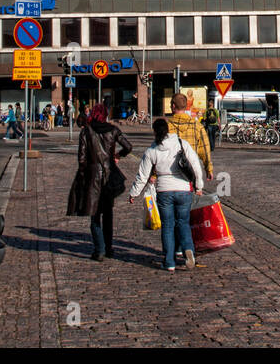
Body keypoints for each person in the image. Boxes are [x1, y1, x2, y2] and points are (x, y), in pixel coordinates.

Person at [128, 117, 204, 271]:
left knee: (168, 226)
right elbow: (195, 165)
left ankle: (169, 261)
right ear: (168, 130)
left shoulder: (152, 150)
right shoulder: (182, 144)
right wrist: (198, 186)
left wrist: (134, 193)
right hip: (183, 189)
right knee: (183, 222)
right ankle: (188, 250)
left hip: (164, 191)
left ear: (155, 132)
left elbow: (143, 175)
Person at [66, 110, 133, 261]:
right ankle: (109, 248)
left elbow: (82, 159)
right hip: (109, 176)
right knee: (108, 214)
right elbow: (128, 147)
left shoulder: (86, 132)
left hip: (93, 176)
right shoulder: (113, 130)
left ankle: (99, 250)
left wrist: (83, 176)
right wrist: (117, 156)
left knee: (95, 215)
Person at [167, 93, 213, 181]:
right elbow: (205, 150)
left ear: (173, 106)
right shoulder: (197, 126)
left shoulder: (166, 127)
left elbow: (158, 151)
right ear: (186, 106)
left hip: (169, 173)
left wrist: (154, 175)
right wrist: (208, 169)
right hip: (190, 171)